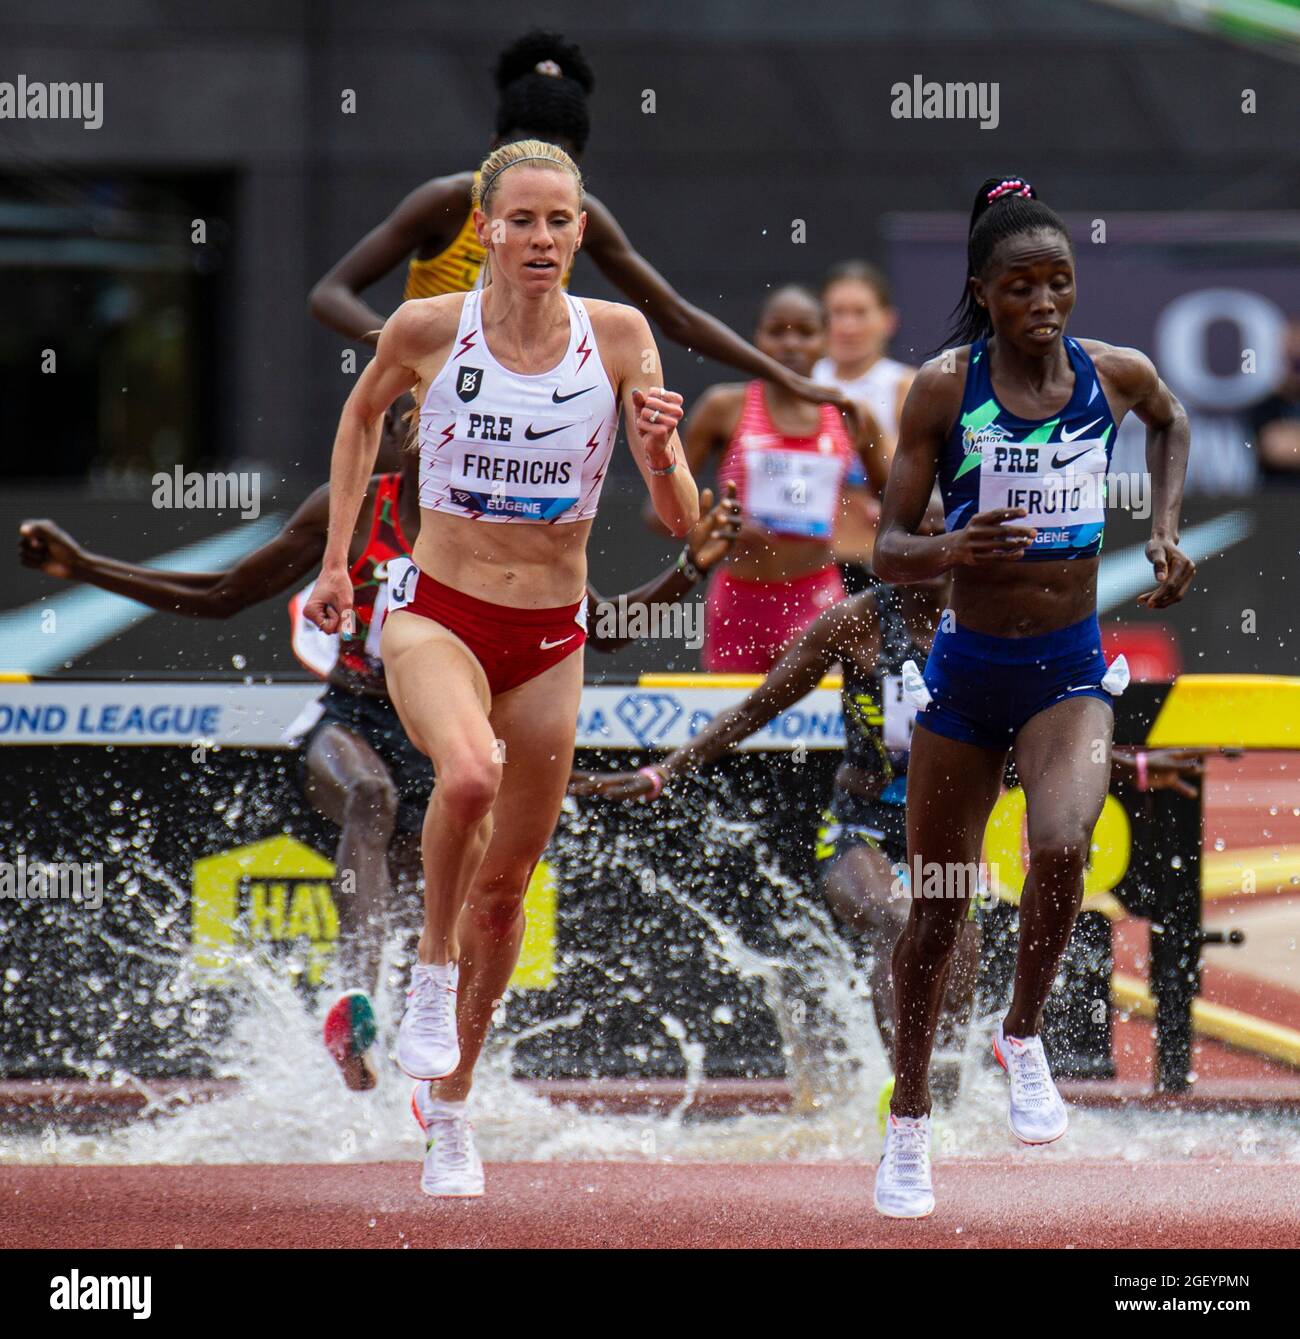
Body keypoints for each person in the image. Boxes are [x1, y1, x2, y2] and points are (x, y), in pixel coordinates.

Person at [18, 399, 737, 1097]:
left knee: (434, 911)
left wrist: (689, 569)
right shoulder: (359, 508)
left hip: (448, 735)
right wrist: (83, 568)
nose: (430, 428)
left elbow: (600, 625)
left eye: (444, 412)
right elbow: (227, 594)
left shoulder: (508, 515)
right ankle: (352, 1000)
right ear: (394, 435)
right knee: (371, 794)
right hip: (354, 718)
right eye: (412, 418)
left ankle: (410, 1075)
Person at [304, 137, 699, 1198]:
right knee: (466, 776)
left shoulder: (618, 337)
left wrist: (661, 448)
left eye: (558, 221)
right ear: (484, 227)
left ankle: (452, 1111)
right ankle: (426, 973)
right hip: (436, 614)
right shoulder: (431, 326)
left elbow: (681, 522)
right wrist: (338, 559)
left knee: (507, 888)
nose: (539, 237)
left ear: (580, 232)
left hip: (551, 639)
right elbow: (358, 418)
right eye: (519, 219)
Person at [569, 498, 1201, 1119]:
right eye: (914, 538)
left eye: (940, 535)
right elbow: (757, 708)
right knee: (900, 921)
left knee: (959, 945)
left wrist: (1132, 764)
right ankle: (903, 1094)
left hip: (947, 830)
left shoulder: (989, 628)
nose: (928, 554)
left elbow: (1035, 730)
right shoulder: (855, 623)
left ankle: (943, 1105)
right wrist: (662, 772)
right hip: (859, 830)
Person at [870, 175, 1194, 1218]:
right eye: (1020, 287)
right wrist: (951, 545)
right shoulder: (939, 390)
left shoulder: (1113, 372)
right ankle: (908, 1126)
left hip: (1065, 667)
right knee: (933, 915)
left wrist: (1162, 529)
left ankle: (1021, 1033)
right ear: (984, 292)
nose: (1044, 303)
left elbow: (1172, 416)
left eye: (1058, 282)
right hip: (964, 678)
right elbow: (887, 547)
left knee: (1061, 842)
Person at [309, 29, 846, 414]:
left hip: (518, 404)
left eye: (555, 183)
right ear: (495, 152)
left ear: (576, 173)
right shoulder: (447, 199)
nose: (540, 225)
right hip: (426, 406)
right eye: (519, 216)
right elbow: (330, 294)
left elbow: (675, 316)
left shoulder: (586, 216)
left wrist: (783, 377)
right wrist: (409, 346)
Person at [675, 284, 888, 672]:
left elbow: (896, 502)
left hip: (817, 597)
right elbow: (665, 511)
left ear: (825, 340)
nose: (791, 344)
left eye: (805, 332)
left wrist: (869, 514)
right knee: (730, 725)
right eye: (777, 332)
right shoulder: (724, 407)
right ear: (756, 339)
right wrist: (717, 523)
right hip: (739, 600)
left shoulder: (849, 415)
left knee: (820, 729)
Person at [813, 262, 918, 586]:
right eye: (838, 313)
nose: (848, 326)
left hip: (876, 562)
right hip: (812, 562)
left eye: (860, 313)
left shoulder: (906, 386)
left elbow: (919, 481)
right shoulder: (805, 384)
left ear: (888, 321)